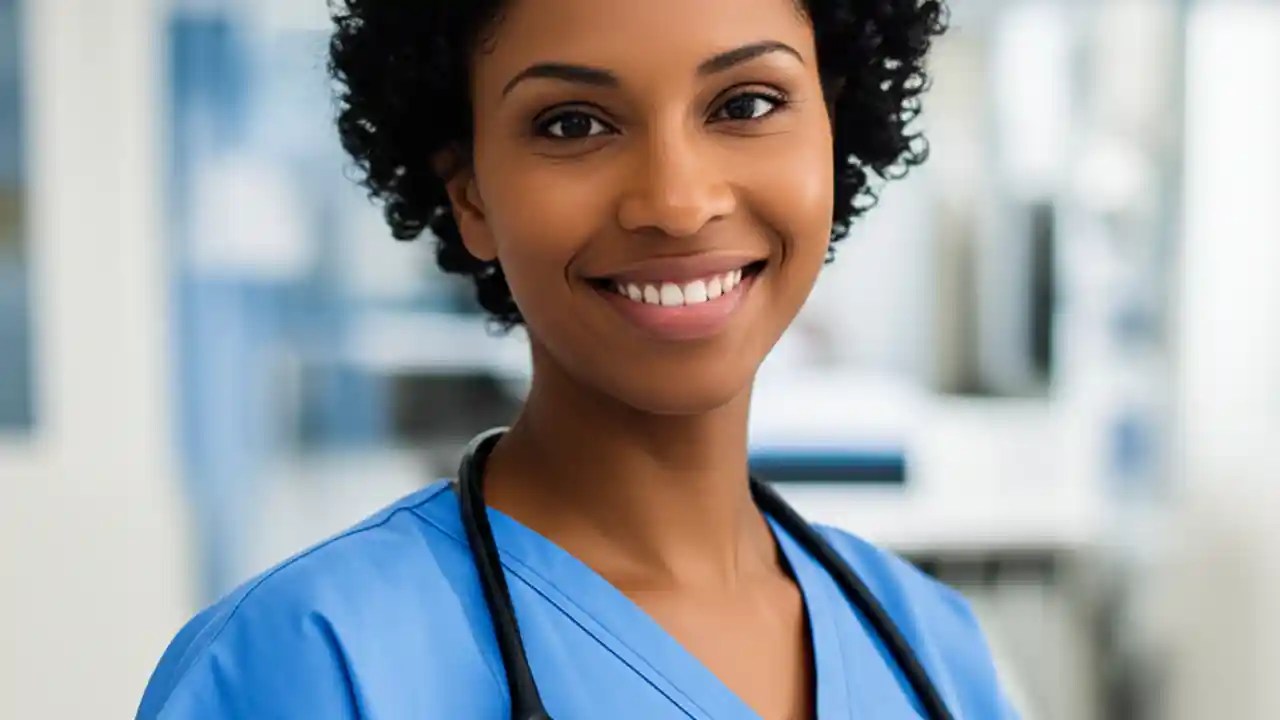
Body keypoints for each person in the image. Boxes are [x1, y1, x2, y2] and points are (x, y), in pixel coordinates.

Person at [137, 0, 1020, 717]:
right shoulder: (306, 668)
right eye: (572, 124)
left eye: (746, 104)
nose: (676, 203)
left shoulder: (933, 651)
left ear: (835, 131)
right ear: (470, 193)